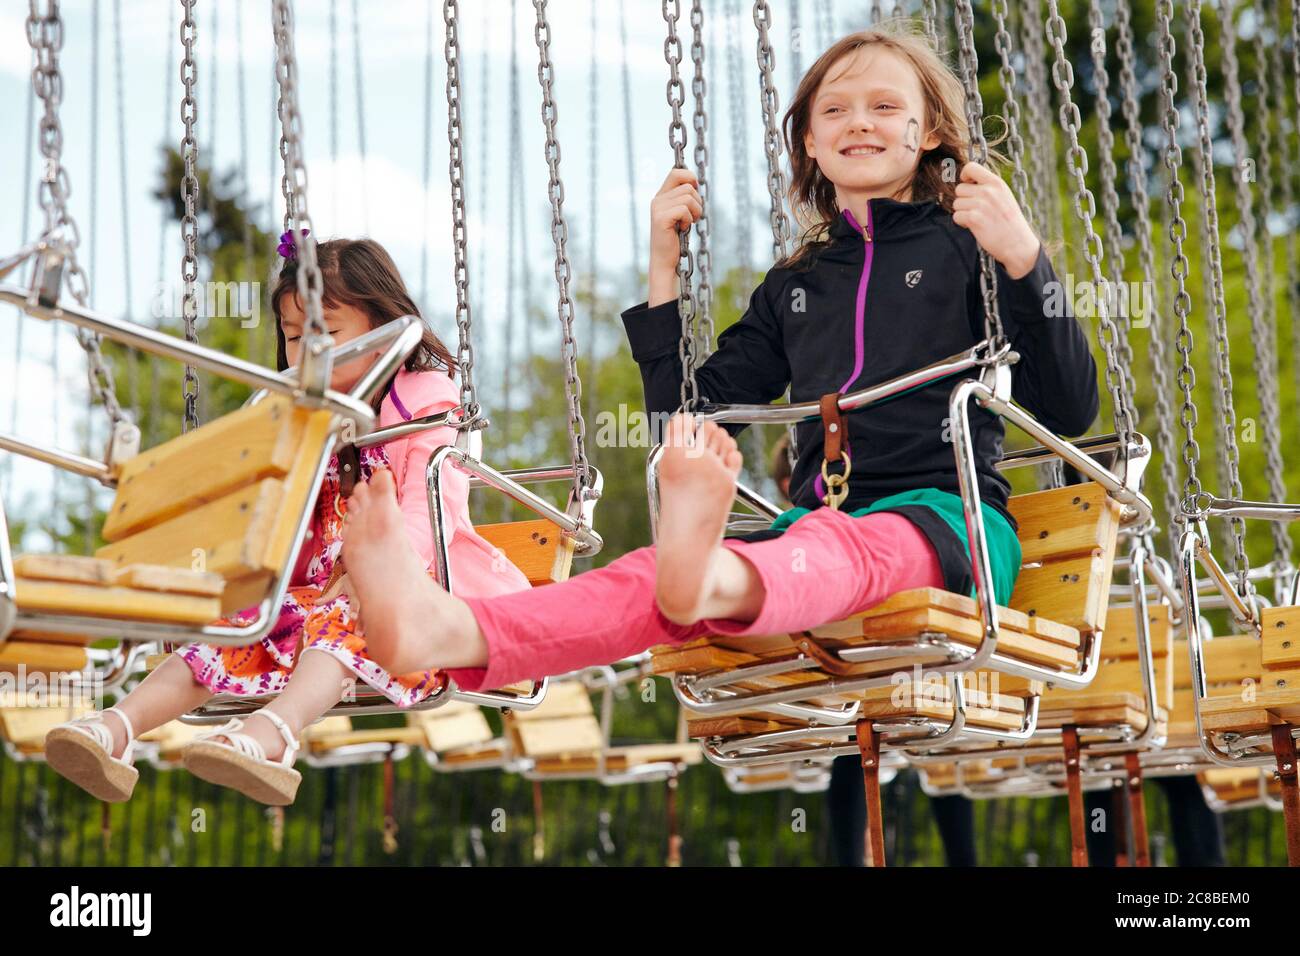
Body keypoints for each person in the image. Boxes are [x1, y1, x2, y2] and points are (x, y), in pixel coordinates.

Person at [336, 25, 1098, 770]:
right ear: (808, 141)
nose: (858, 122)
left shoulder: (969, 246)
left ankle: (705, 572)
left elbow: (1068, 409)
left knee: (819, 552)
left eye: (884, 106)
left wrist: (1026, 260)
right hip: (813, 530)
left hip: (948, 525)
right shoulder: (796, 286)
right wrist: (663, 272)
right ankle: (446, 633)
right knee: (647, 578)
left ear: (929, 130)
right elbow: (685, 424)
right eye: (834, 110)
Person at [44, 237, 529, 806]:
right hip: (316, 591)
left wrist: (383, 570)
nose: (308, 354)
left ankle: (274, 735)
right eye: (296, 338)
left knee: (359, 605)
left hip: (419, 587)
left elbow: (432, 500)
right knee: (237, 619)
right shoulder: (302, 419)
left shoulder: (420, 397)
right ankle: (115, 728)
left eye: (329, 334)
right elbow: (293, 527)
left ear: (386, 331)